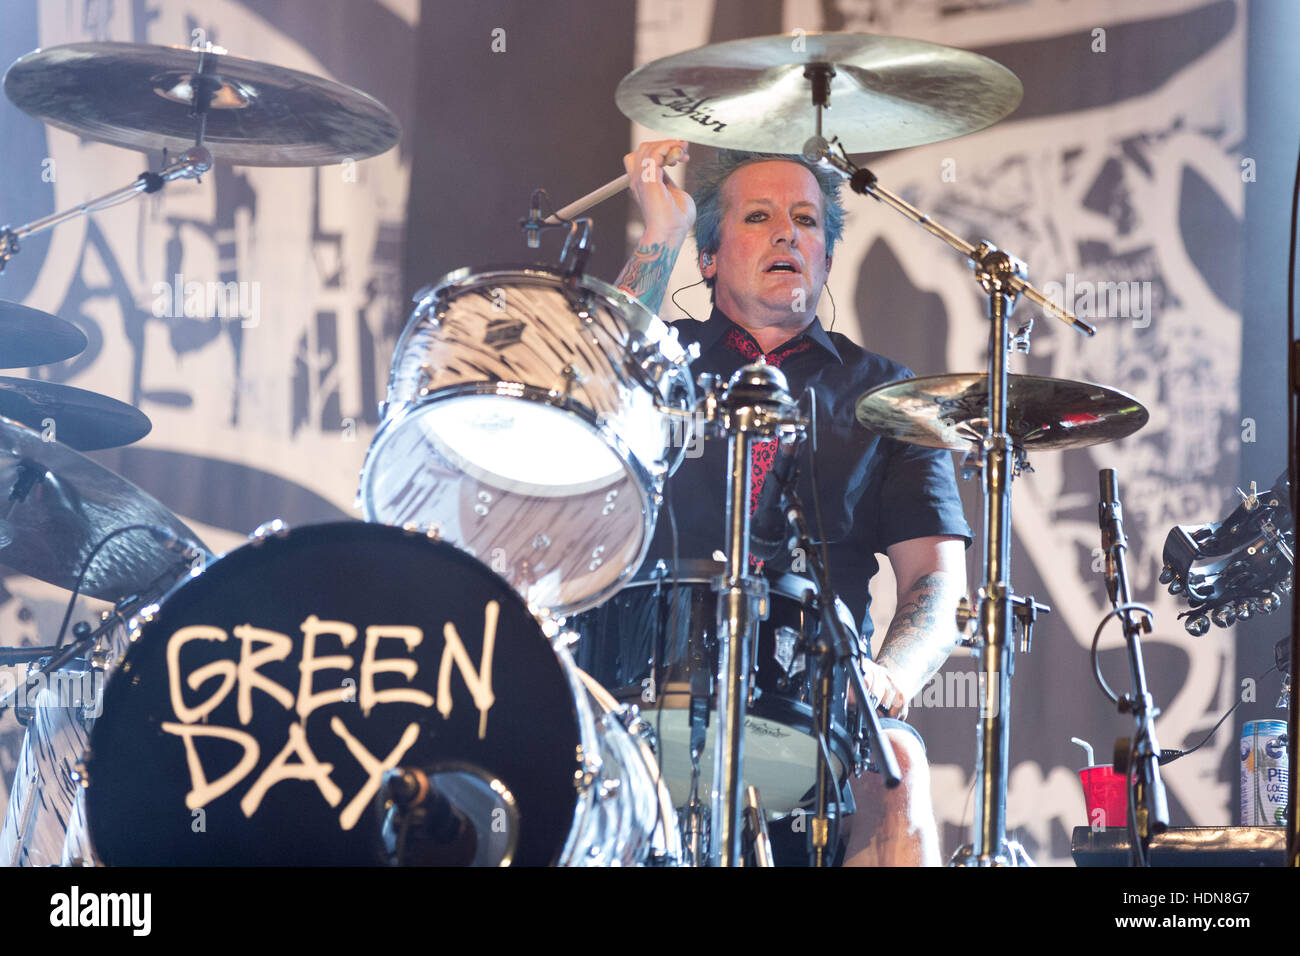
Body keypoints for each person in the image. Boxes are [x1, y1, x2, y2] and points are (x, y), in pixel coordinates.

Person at [612, 139, 972, 866]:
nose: (788, 233)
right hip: (642, 682)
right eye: (760, 217)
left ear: (827, 260)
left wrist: (891, 676)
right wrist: (662, 231)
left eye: (807, 220)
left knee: (898, 775)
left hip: (819, 695)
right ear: (708, 257)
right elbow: (590, 374)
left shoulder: (888, 394)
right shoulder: (658, 360)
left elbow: (938, 583)